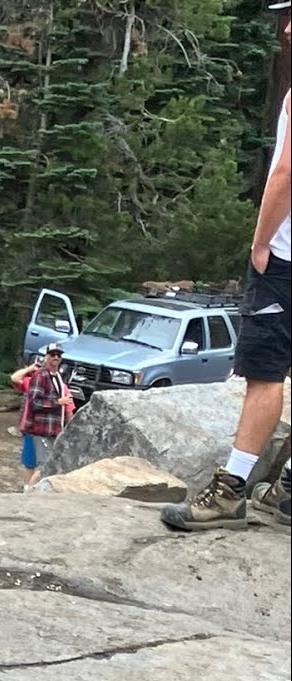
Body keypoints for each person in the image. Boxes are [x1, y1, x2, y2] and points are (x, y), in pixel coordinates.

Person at [160, 0, 291, 531]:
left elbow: (285, 174)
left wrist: (260, 244)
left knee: (264, 374)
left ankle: (231, 491)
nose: (287, 27)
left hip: (286, 258)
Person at [10, 353, 74, 491]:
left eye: (58, 356)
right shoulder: (37, 379)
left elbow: (69, 412)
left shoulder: (63, 389)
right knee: (30, 463)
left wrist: (69, 432)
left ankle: (29, 490)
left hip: (48, 431)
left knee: (42, 464)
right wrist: (29, 369)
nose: (55, 358)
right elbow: (14, 378)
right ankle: (28, 489)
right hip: (32, 428)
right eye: (52, 355)